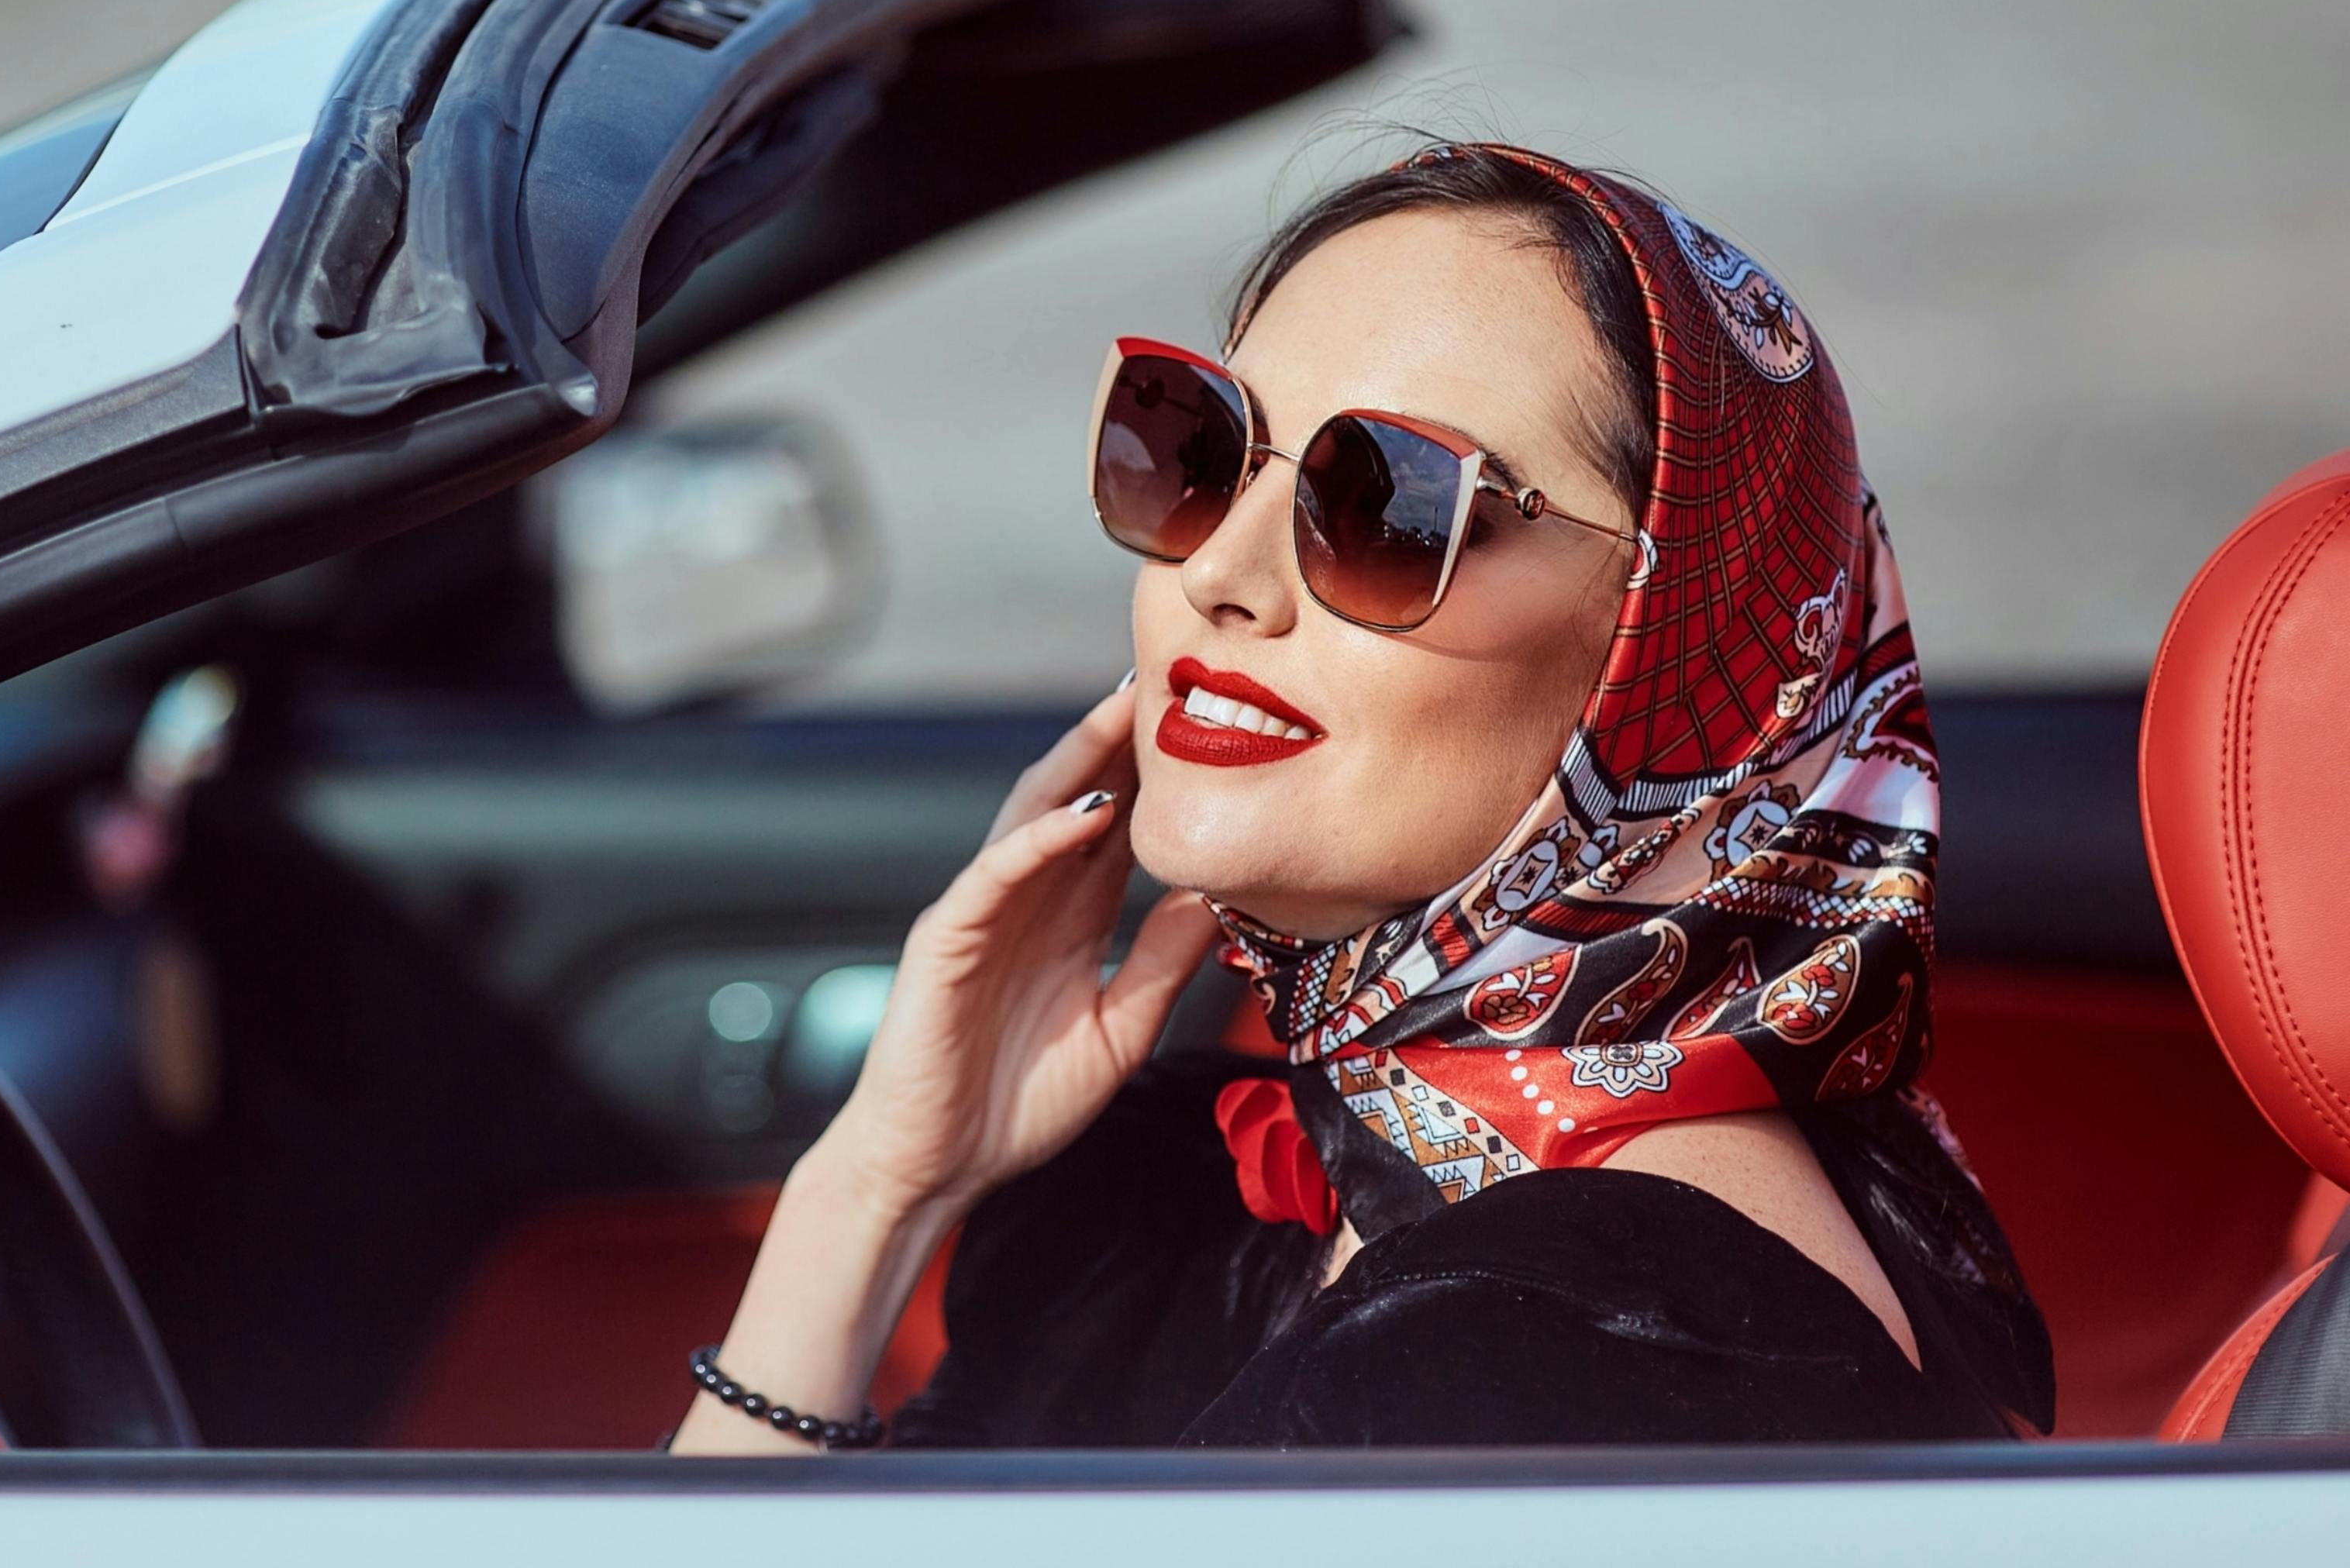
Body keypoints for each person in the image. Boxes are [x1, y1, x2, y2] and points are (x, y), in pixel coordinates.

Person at [672, 142, 2051, 1453]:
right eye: (1200, 452)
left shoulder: (1569, 1363)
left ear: (1688, 656)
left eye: (1388, 505)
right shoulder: (1201, 1207)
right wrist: (874, 1193)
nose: (1224, 573)